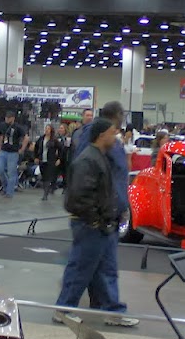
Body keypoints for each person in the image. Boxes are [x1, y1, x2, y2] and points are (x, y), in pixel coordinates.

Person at [54, 118, 136, 326]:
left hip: (102, 226)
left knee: (107, 269)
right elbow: (78, 198)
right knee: (80, 268)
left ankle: (113, 310)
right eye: (112, 133)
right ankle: (64, 309)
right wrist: (95, 220)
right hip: (89, 226)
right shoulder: (88, 160)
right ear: (101, 135)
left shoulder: (99, 157)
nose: (115, 137)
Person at [0, 109, 27, 198]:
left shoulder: (18, 127)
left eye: (9, 118)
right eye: (6, 117)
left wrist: (22, 149)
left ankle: (9, 192)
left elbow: (26, 137)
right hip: (3, 151)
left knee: (11, 172)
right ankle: (5, 185)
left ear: (13, 118)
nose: (7, 119)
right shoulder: (2, 125)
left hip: (13, 152)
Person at [36, 123, 67, 200]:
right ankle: (46, 191)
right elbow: (36, 147)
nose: (47, 130)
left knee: (47, 177)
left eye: (48, 129)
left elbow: (61, 149)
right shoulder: (41, 139)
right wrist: (36, 157)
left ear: (51, 130)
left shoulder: (54, 140)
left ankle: (45, 194)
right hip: (42, 160)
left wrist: (59, 158)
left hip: (50, 161)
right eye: (46, 129)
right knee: (43, 177)